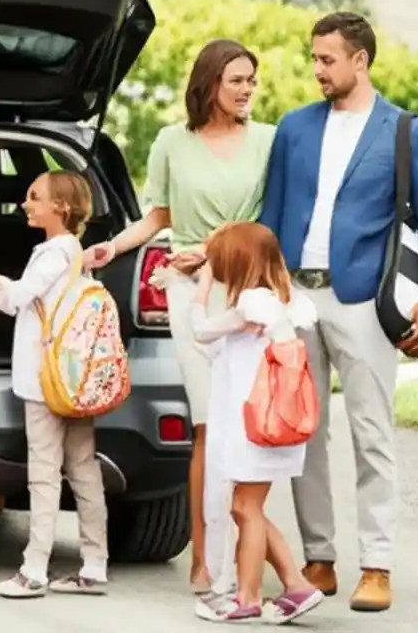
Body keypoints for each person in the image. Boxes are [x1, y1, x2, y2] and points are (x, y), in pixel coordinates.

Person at [257, 12, 418, 612]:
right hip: (296, 299)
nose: (317, 70)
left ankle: (377, 564)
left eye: (327, 59)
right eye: (314, 58)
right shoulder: (293, 128)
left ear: (360, 60)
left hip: (364, 301)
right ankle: (318, 558)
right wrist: (265, 292)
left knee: (371, 432)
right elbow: (271, 217)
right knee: (304, 432)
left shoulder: (406, 132)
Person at [83, 39, 275, 596]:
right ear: (209, 83)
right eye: (237, 80)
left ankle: (244, 550)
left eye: (251, 80)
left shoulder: (269, 141)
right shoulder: (172, 141)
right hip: (190, 294)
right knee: (206, 425)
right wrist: (111, 248)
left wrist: (210, 250)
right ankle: (202, 556)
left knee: (245, 426)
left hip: (248, 292)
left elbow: (269, 220)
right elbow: (158, 218)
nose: (247, 90)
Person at [0, 171, 109, 599]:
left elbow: (18, 297)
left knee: (44, 473)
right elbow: (27, 304)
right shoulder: (73, 252)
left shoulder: (52, 252)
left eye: (35, 197)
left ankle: (34, 570)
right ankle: (94, 566)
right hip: (72, 379)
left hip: (43, 381)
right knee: (84, 469)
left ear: (60, 207)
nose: (25, 204)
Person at [187, 222, 324, 625]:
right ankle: (296, 585)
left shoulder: (253, 302)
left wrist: (202, 288)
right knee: (249, 507)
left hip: (255, 425)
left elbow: (201, 331)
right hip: (272, 422)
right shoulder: (282, 300)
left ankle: (247, 597)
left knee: (245, 508)